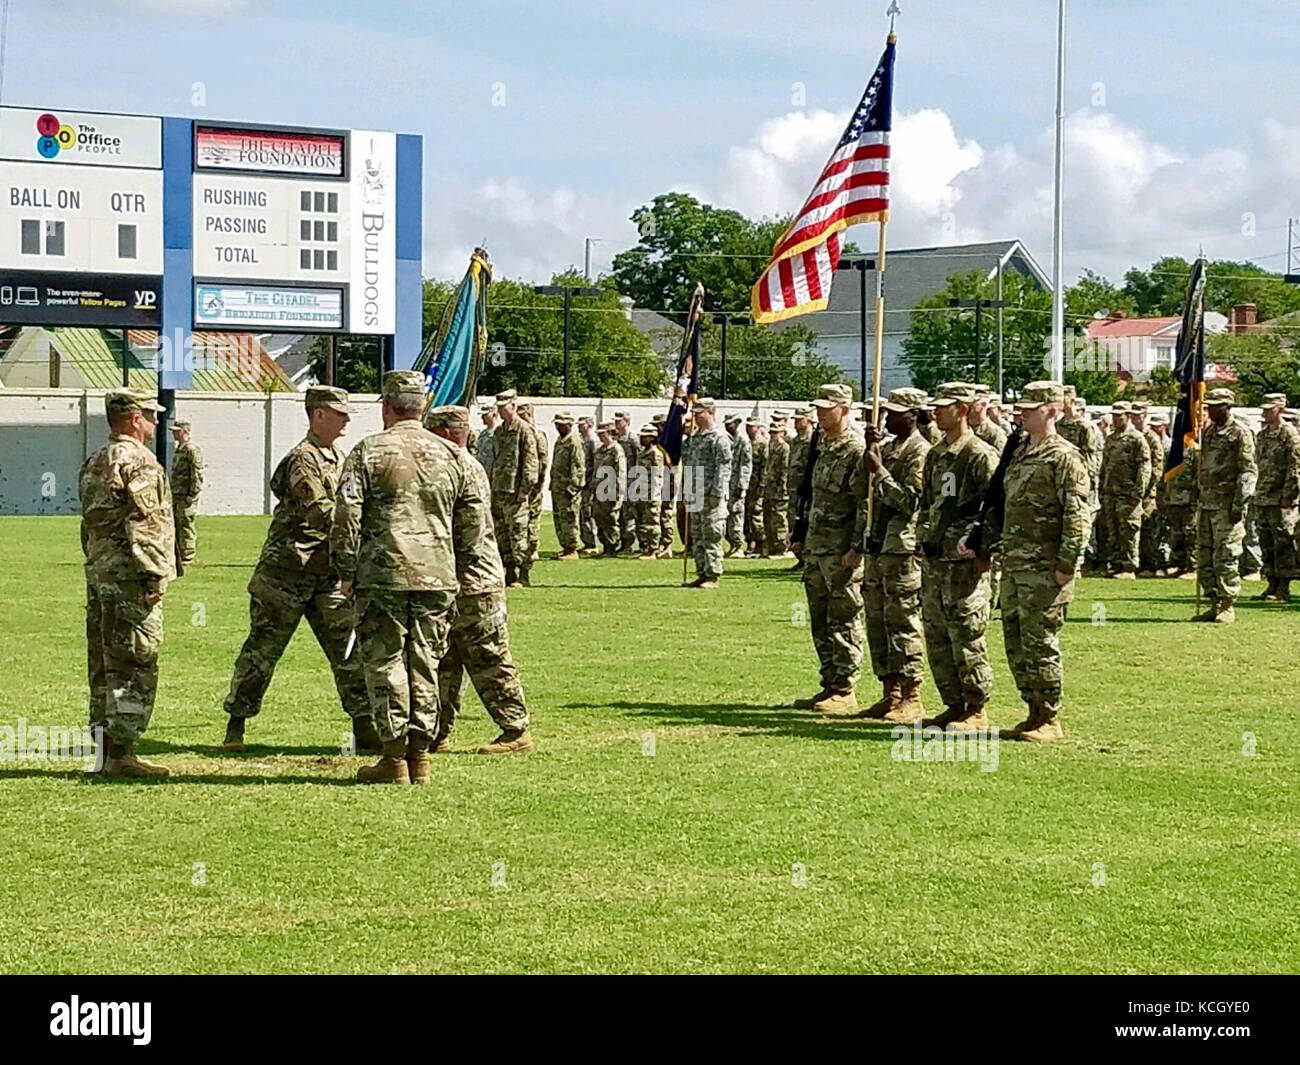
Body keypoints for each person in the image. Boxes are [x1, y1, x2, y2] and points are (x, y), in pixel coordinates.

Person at [331, 372, 485, 784]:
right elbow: (473, 523)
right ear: (422, 408)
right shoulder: (453, 455)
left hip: (383, 576)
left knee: (385, 664)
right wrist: (463, 569)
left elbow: (346, 515)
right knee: (426, 663)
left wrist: (345, 569)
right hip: (438, 577)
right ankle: (421, 757)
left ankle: (394, 757)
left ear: (386, 406)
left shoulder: (368, 451)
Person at [221, 386, 376, 753]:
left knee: (349, 652)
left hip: (325, 575)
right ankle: (236, 725)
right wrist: (364, 528)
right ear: (318, 414)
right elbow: (321, 512)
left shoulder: (337, 457)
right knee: (262, 652)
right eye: (339, 413)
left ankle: (365, 727)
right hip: (285, 574)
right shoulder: (302, 460)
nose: (347, 419)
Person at [973, 381, 1088, 742]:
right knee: (1016, 641)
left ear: (1052, 411)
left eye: (1029, 409)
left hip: (1044, 567)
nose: (1019, 414)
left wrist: (1066, 566)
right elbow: (1003, 506)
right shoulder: (1019, 452)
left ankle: (1049, 718)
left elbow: (1076, 515)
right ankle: (1033, 710)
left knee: (1041, 643)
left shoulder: (1064, 457)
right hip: (1015, 563)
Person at [427, 405, 534, 755]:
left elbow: (469, 537)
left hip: (473, 583)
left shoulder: (464, 468)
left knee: (488, 657)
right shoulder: (450, 467)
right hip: (450, 582)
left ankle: (515, 729)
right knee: (445, 661)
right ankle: (436, 732)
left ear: (444, 433)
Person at [80, 389, 175, 779]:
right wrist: (154, 575)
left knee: (103, 664)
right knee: (136, 662)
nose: (156, 422)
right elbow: (146, 524)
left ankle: (106, 751)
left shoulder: (95, 461)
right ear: (135, 419)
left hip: (100, 575)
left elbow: (90, 524)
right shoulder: (140, 463)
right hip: (131, 578)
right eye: (151, 416)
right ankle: (122, 752)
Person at [916, 382, 997, 730]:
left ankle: (976, 707)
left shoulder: (980, 454)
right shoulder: (935, 454)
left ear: (963, 409)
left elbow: (993, 507)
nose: (936, 411)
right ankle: (953, 703)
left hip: (964, 562)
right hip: (936, 558)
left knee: (967, 631)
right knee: (937, 633)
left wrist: (984, 550)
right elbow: (928, 502)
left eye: (944, 406)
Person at [854, 388, 930, 724]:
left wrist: (881, 471)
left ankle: (911, 693)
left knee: (902, 621)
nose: (887, 417)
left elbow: (910, 501)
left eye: (895, 412)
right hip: (879, 545)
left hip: (902, 547)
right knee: (877, 621)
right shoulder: (888, 448)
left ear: (913, 415)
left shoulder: (920, 452)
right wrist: (870, 451)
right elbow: (863, 489)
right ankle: (890, 692)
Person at [790, 384, 866, 714]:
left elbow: (864, 502)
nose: (820, 413)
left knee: (844, 618)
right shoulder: (819, 445)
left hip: (840, 550)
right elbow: (810, 494)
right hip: (816, 546)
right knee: (820, 620)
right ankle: (829, 682)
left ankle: (846, 688)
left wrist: (857, 547)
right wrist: (800, 533)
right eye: (818, 408)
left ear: (845, 409)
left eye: (827, 408)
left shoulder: (855, 448)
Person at [1194, 388, 1257, 623]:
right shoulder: (1209, 433)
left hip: (1227, 505)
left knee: (1226, 555)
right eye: (1209, 405)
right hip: (1207, 503)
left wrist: (1240, 503)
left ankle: (1227, 604)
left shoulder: (1240, 433)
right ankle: (1213, 601)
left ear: (1227, 406)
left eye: (1215, 406)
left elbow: (1248, 470)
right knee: (1205, 556)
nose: (1210, 409)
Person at [1250, 393, 1299, 601]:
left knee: (1283, 543)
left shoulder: (1290, 435)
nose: (1265, 412)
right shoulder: (1262, 435)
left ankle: (1283, 587)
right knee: (1266, 542)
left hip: (1281, 500)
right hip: (1262, 496)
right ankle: (1271, 583)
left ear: (1280, 409)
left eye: (1269, 409)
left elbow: (1295, 468)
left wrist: (1289, 495)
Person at [488, 389, 539, 587]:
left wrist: (525, 490)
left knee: (519, 535)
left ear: (514, 406)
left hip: (515, 493)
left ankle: (523, 574)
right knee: (502, 536)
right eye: (499, 409)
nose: (501, 412)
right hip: (500, 490)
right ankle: (509, 572)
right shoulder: (500, 432)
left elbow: (531, 463)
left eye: (504, 408)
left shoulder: (524, 430)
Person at [1098, 400, 1150, 579]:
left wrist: (1139, 491)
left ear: (1128, 416)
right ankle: (1117, 564)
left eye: (1119, 415)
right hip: (1110, 492)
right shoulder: (1111, 438)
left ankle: (1129, 567)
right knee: (1113, 531)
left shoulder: (1136, 438)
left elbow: (1144, 466)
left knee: (1129, 530)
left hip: (1128, 493)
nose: (1115, 419)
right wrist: (1102, 486)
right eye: (1114, 415)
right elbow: (1105, 465)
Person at [683, 398, 730, 588]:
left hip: (710, 494)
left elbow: (724, 467)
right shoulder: (696, 437)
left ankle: (713, 575)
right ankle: (702, 572)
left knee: (712, 533)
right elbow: (690, 465)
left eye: (700, 412)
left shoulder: (719, 437)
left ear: (711, 412)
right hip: (696, 493)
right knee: (698, 535)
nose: (696, 416)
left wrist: (717, 493)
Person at [1130, 402, 1164, 576]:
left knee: (1149, 528)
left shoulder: (1151, 438)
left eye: (1138, 415)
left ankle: (1150, 565)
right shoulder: (1131, 436)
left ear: (1145, 415)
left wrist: (1146, 489)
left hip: (1148, 493)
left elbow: (1157, 468)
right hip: (1131, 490)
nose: (1135, 418)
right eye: (1133, 415)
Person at [550, 410, 586, 561]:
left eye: (561, 424)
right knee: (560, 519)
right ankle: (565, 547)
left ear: (569, 424)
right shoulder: (560, 440)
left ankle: (572, 549)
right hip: (557, 488)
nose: (558, 427)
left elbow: (578, 468)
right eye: (557, 424)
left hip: (568, 490)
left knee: (570, 518)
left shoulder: (574, 442)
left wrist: (572, 489)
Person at [169, 418, 204, 571]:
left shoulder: (191, 449)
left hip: (186, 495)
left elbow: (197, 473)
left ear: (183, 432)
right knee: (177, 523)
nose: (174, 434)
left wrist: (193, 493)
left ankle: (188, 555)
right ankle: (179, 554)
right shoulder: (180, 449)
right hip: (177, 494)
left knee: (186, 524)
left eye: (176, 431)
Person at [518, 402, 548, 568]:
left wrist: (538, 484)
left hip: (533, 485)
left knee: (532, 518)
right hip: (520, 483)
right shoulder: (520, 433)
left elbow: (542, 461)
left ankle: (532, 547)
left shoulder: (537, 434)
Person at [786, 407, 815, 570]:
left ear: (809, 420)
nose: (796, 423)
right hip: (793, 490)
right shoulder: (795, 441)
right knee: (793, 522)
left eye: (799, 419)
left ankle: (808, 558)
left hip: (806, 490)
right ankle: (801, 557)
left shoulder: (813, 441)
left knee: (806, 523)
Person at [1165, 439, 1199, 579]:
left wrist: (1196, 497)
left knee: (1191, 534)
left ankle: (1193, 567)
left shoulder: (1195, 451)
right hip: (1174, 498)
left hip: (1189, 499)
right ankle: (1179, 565)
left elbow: (1198, 476)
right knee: (1177, 534)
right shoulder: (1174, 450)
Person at [591, 421, 626, 556]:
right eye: (599, 435)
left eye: (603, 434)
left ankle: (612, 546)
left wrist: (617, 493)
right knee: (599, 518)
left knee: (611, 520)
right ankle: (605, 545)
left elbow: (620, 473)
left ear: (610, 433)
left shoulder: (616, 450)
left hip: (610, 491)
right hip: (599, 491)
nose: (600, 437)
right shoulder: (600, 450)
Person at [634, 422, 666, 559]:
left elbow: (657, 475)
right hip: (641, 492)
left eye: (645, 437)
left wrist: (654, 494)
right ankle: (646, 547)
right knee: (643, 522)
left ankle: (653, 549)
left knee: (652, 521)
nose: (642, 439)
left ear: (652, 438)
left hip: (651, 493)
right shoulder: (642, 453)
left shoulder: (656, 454)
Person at [763, 413, 792, 558]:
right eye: (771, 432)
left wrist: (783, 489)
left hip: (779, 490)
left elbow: (785, 470)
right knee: (768, 518)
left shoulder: (784, 448)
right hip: (769, 488)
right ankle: (772, 546)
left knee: (779, 519)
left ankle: (782, 547)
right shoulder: (771, 446)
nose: (773, 435)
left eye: (776, 432)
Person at [724, 412, 752, 557]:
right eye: (726, 424)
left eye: (731, 423)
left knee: (737, 514)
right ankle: (732, 544)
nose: (728, 426)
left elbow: (746, 465)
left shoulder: (743, 441)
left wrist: (742, 485)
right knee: (728, 515)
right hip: (727, 484)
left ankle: (738, 546)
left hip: (737, 485)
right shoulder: (726, 440)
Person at [614, 411, 639, 554]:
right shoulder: (616, 439)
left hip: (630, 482)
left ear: (627, 422)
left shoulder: (633, 439)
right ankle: (622, 543)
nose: (617, 424)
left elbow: (638, 461)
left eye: (620, 421)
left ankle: (628, 544)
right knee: (620, 515)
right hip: (618, 482)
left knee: (629, 515)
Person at [578, 416, 600, 554]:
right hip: (583, 482)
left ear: (589, 425)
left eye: (582, 425)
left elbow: (594, 462)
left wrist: (591, 481)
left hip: (589, 482)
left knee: (588, 513)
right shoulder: (583, 439)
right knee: (583, 513)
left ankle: (593, 543)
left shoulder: (592, 440)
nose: (579, 427)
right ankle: (587, 541)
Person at [745, 418, 767, 555]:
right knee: (748, 515)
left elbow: (765, 467)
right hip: (748, 484)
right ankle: (750, 542)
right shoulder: (748, 443)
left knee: (756, 514)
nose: (749, 429)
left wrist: (762, 485)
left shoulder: (763, 444)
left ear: (758, 427)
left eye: (752, 427)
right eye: (747, 427)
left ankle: (761, 542)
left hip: (757, 485)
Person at [970, 386, 1007, 454]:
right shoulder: (963, 428)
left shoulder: (996, 433)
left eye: (972, 403)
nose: (968, 406)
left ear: (983, 405)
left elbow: (1001, 459)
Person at [475, 401, 499, 472]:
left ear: (494, 415)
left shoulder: (499, 434)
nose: (482, 417)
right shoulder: (483, 434)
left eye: (485, 415)